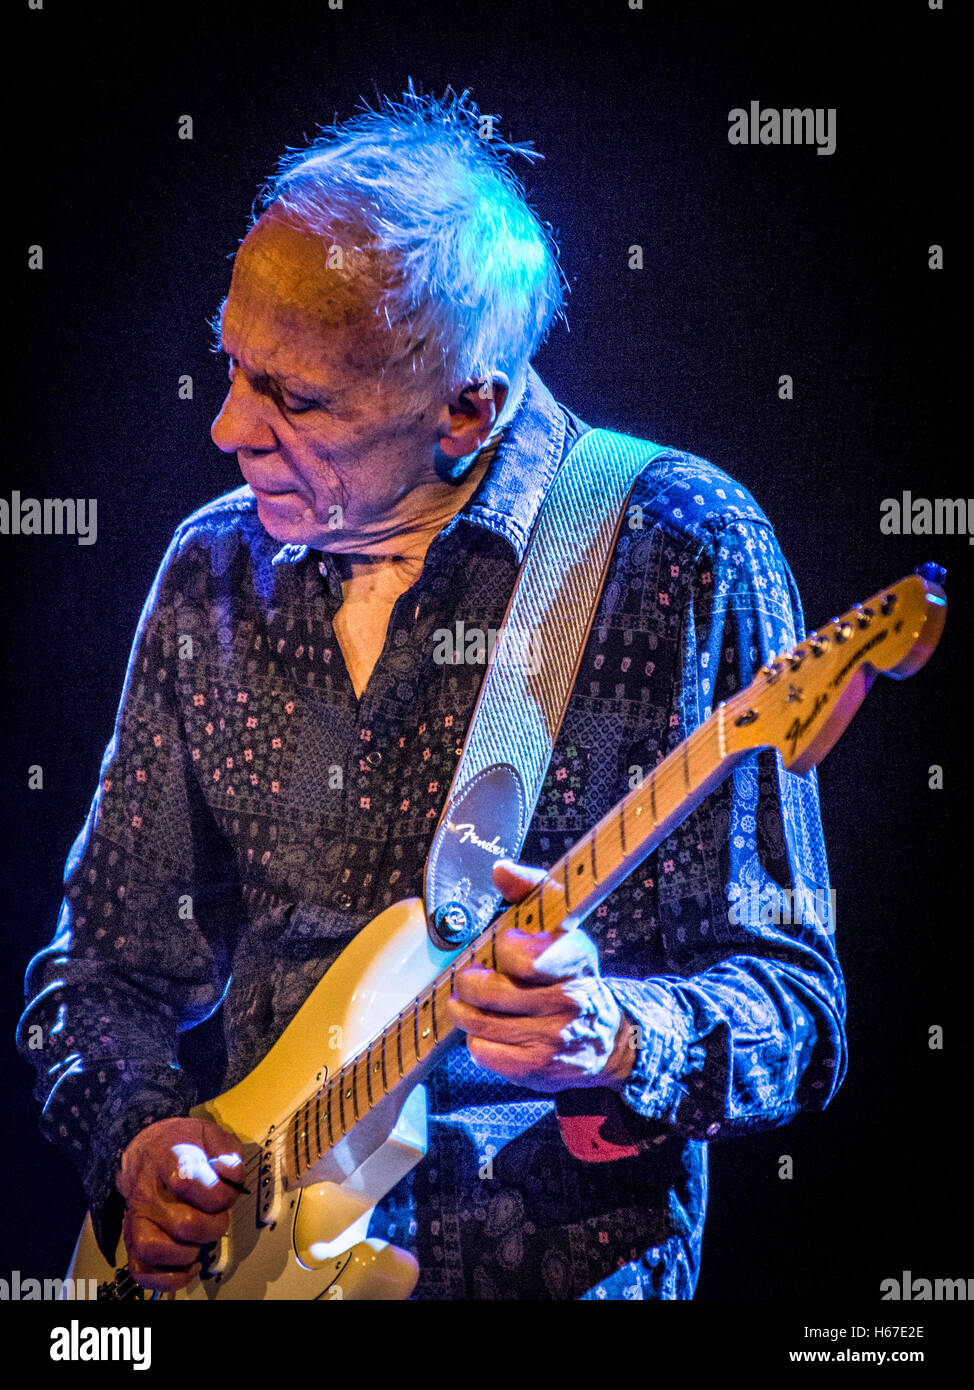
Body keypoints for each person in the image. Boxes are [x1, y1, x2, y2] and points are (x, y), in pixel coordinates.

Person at [18, 86, 846, 1300]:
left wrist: (614, 1033)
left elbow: (797, 1011)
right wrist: (139, 1136)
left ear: (467, 406)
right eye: (233, 366)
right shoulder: (212, 570)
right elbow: (96, 970)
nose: (227, 427)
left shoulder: (676, 545)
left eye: (295, 399)